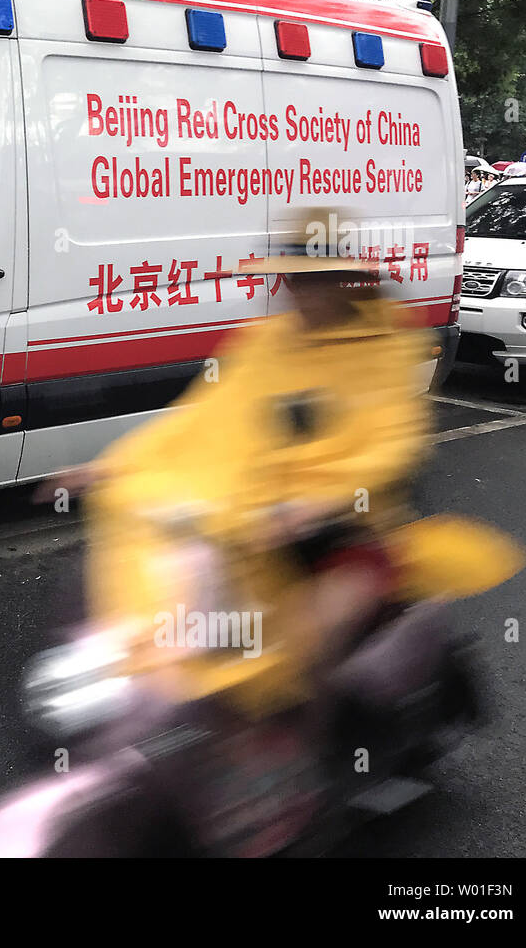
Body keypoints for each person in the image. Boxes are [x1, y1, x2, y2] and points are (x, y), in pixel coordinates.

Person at [48, 219, 432, 724]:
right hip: (254, 521)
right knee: (176, 598)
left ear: (343, 280)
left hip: (348, 528)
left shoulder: (387, 347)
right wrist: (110, 467)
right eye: (294, 280)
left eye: (315, 279)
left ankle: (320, 754)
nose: (301, 293)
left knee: (307, 639)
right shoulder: (264, 341)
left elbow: (394, 444)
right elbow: (199, 418)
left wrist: (322, 501)